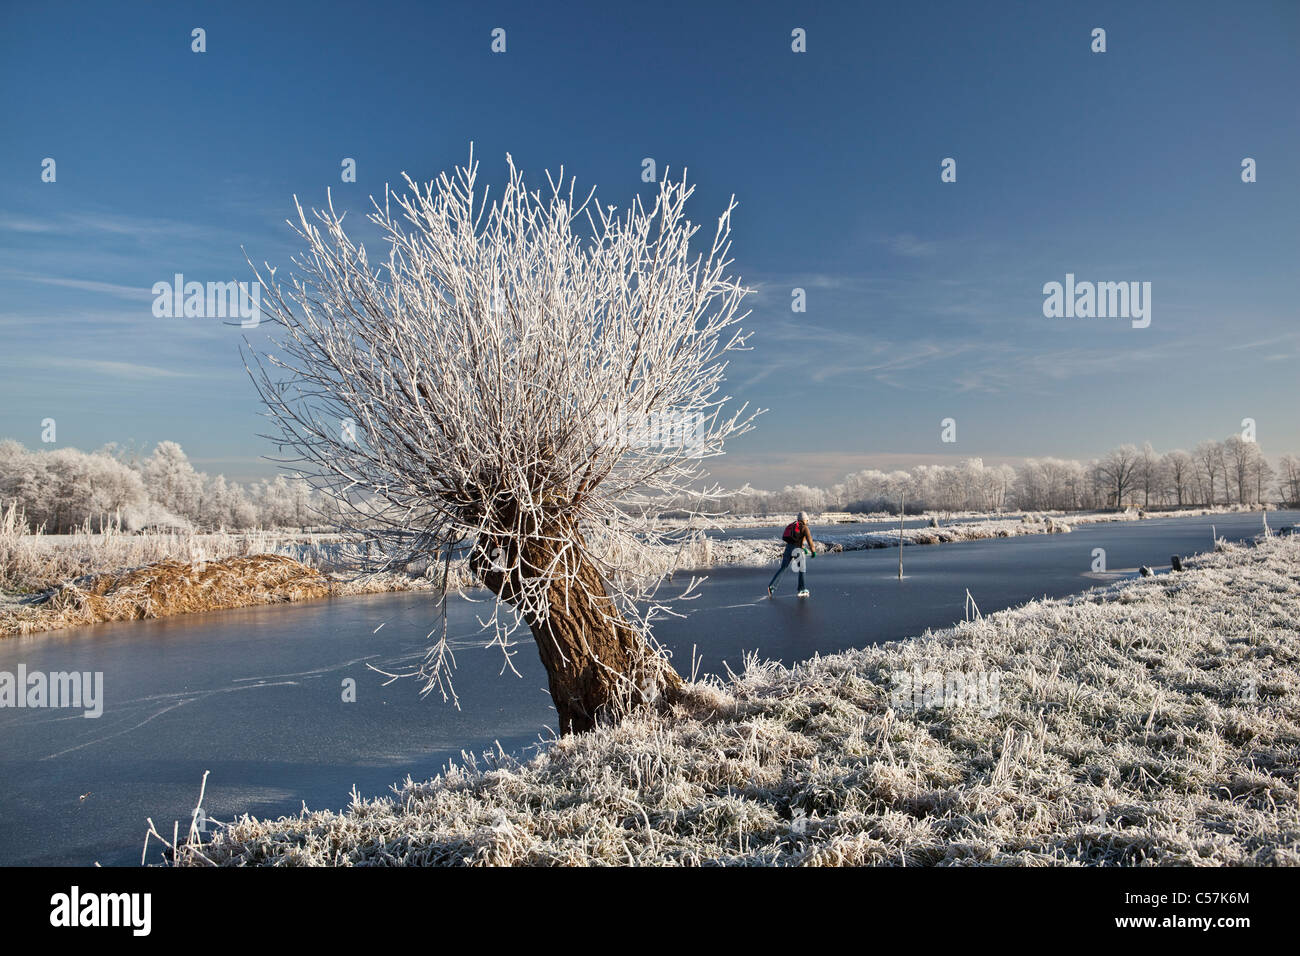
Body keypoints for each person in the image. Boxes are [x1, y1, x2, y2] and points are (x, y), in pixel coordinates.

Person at [769, 511, 815, 597]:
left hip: (788, 548)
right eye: (806, 520)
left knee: (783, 567)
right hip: (797, 550)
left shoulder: (792, 525)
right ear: (804, 519)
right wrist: (813, 551)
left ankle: (772, 586)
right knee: (802, 569)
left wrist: (803, 548)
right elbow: (810, 540)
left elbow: (794, 540)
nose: (807, 521)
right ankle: (801, 589)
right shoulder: (805, 527)